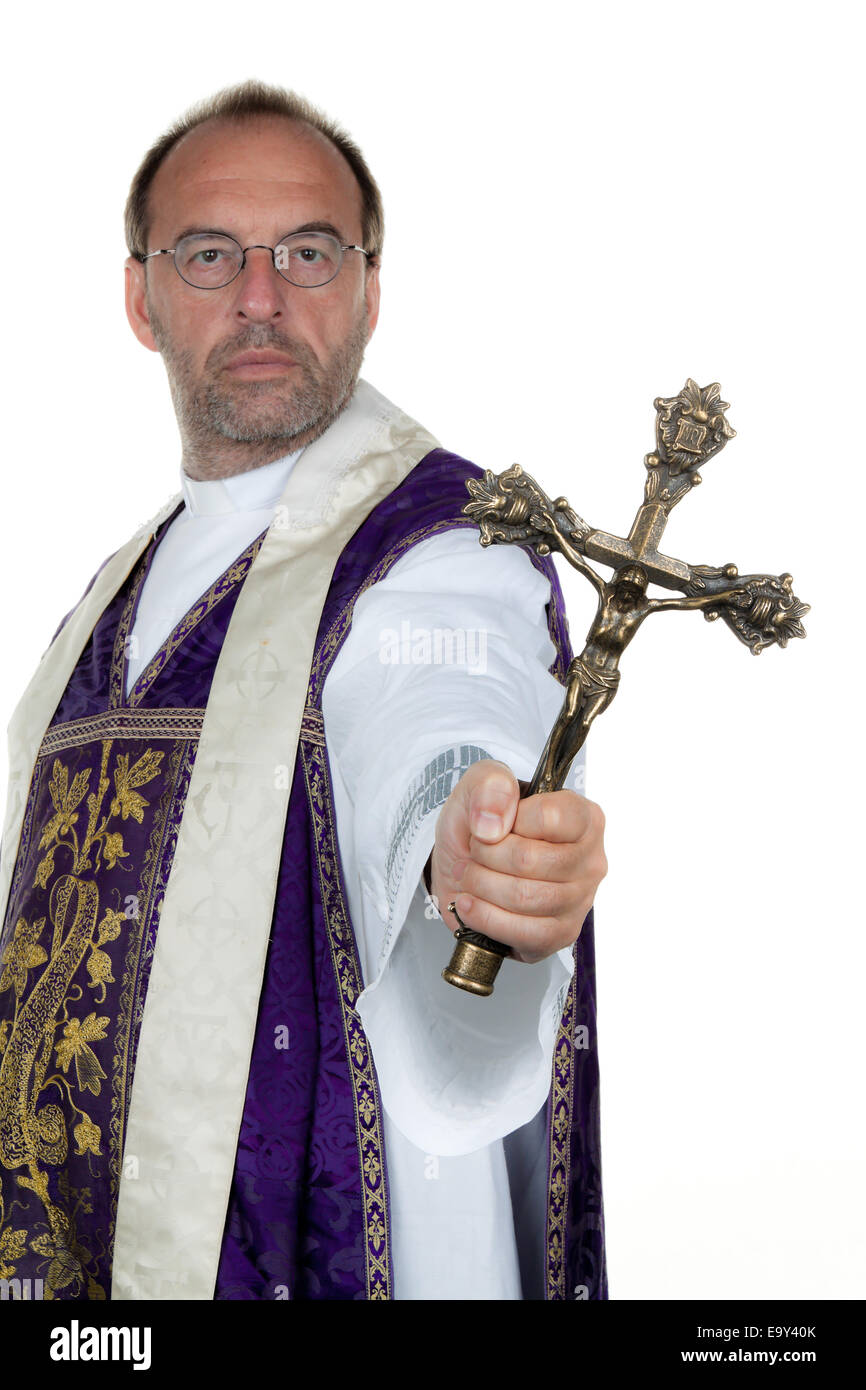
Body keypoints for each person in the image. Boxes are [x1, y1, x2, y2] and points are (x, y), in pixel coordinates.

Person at [0, 80, 608, 1301]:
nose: (262, 296)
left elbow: (444, 707)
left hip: (332, 1241)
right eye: (213, 253)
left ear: (370, 292)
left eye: (310, 252)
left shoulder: (445, 540)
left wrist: (469, 851)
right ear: (142, 296)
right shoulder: (115, 590)